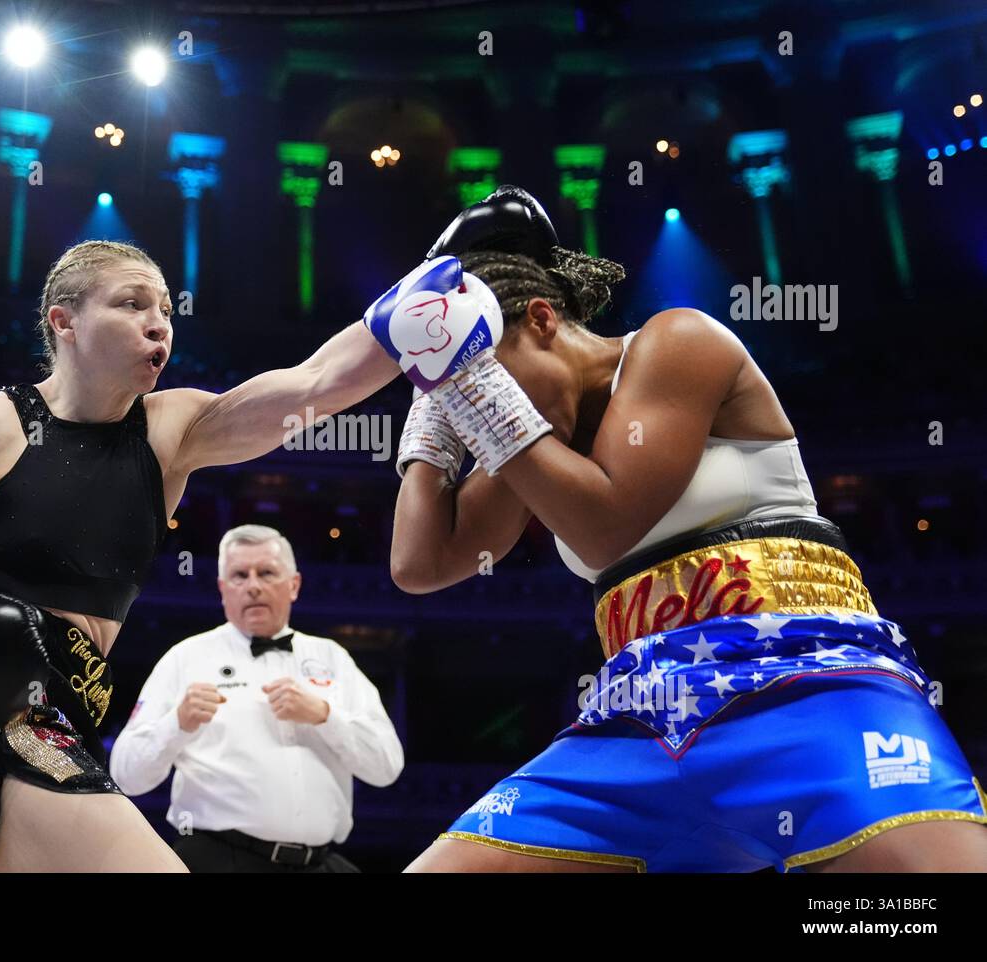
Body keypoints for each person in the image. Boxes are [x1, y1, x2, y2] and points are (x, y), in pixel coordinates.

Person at [372, 186, 987, 872]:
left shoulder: (677, 341)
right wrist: (436, 414)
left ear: (542, 318)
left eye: (484, 376)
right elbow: (420, 565)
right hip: (640, 721)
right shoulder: (535, 441)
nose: (479, 409)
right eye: (464, 391)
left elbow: (604, 527)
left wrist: (478, 382)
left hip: (809, 685)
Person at [0, 240, 402, 872]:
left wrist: (427, 296)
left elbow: (316, 383)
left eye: (165, 310)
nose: (159, 322)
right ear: (63, 321)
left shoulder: (172, 430)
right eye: (132, 303)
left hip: (59, 721)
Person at [111, 524, 403, 872]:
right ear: (222, 589)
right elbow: (126, 775)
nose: (252, 586)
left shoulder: (332, 658)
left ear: (293, 584)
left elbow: (387, 767)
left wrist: (325, 715)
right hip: (220, 859)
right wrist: (177, 723)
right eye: (239, 575)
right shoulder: (186, 658)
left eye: (266, 573)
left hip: (320, 862)